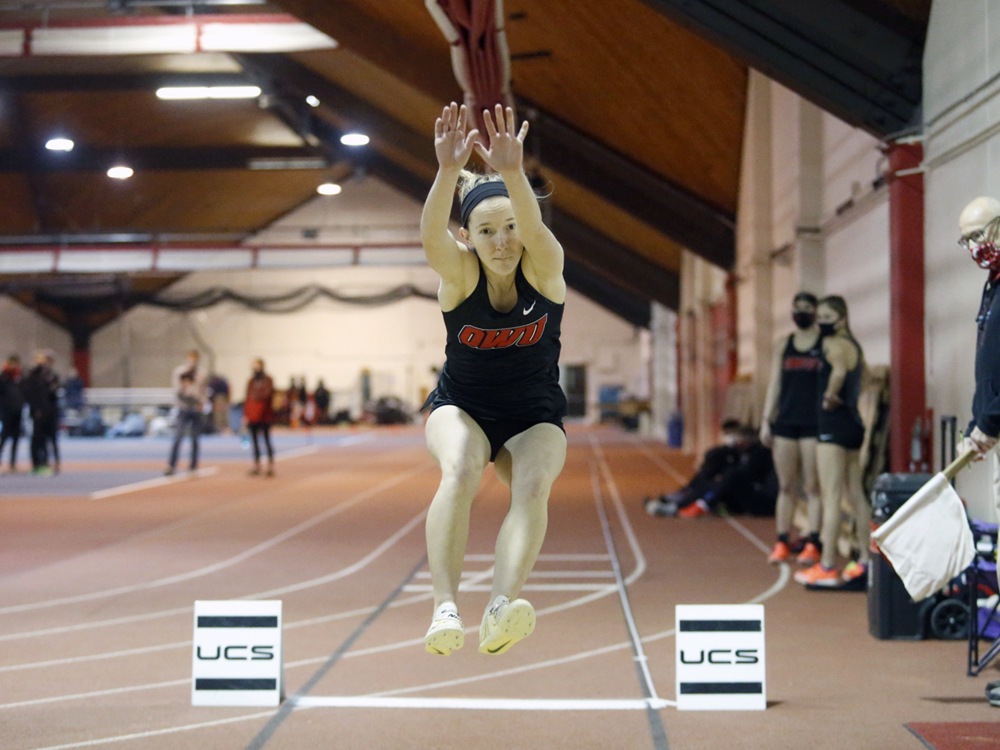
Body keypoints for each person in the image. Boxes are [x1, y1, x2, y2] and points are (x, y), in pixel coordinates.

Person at [419, 102, 568, 656]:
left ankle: (502, 606)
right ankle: (444, 607)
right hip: (463, 405)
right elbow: (432, 236)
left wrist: (511, 173)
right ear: (470, 237)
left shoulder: (543, 268)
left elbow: (531, 225)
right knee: (459, 470)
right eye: (487, 231)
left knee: (533, 483)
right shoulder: (459, 276)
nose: (502, 241)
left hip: (533, 411)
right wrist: (443, 171)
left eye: (509, 229)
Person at [955, 197, 1000, 707]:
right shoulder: (993, 283)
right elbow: (989, 368)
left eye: (979, 234)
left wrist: (989, 422)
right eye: (965, 241)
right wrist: (977, 422)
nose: (974, 247)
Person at [794, 295, 870, 588]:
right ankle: (864, 560)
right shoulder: (855, 347)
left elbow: (838, 372)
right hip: (853, 424)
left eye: (827, 316)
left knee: (831, 497)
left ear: (841, 319)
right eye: (820, 316)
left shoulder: (833, 345)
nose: (821, 321)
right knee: (856, 494)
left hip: (832, 427)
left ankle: (826, 565)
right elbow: (862, 381)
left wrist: (829, 396)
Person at [759, 292, 824, 565]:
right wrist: (766, 419)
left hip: (813, 423)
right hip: (785, 421)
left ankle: (812, 541)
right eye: (796, 308)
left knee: (812, 486)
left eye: (806, 308)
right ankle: (782, 540)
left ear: (815, 312)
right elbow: (775, 383)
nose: (801, 312)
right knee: (786, 486)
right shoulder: (784, 345)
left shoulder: (825, 344)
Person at [165, 350, 208, 476]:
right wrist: (184, 386)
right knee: (178, 437)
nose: (192, 361)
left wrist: (202, 403)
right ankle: (171, 465)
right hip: (183, 408)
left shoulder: (202, 373)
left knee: (195, 439)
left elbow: (204, 391)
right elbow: (175, 389)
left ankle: (193, 466)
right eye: (190, 358)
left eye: (195, 358)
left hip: (196, 408)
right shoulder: (179, 372)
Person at [22, 350, 60, 476]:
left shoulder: (50, 376)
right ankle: (36, 464)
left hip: (49, 413)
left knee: (47, 439)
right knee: (36, 439)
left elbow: (53, 394)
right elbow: (29, 394)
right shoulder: (32, 375)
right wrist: (35, 409)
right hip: (36, 413)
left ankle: (46, 463)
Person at [243, 357, 276, 477]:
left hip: (265, 415)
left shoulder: (268, 380)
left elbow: (267, 395)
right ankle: (257, 465)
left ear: (262, 366)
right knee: (254, 441)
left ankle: (270, 466)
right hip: (253, 416)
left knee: (267, 440)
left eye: (257, 365)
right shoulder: (251, 381)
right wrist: (246, 414)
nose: (255, 368)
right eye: (253, 366)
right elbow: (247, 397)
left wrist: (256, 400)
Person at [0, 354, 25, 473]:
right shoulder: (3, 376)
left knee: (16, 438)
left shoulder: (20, 378)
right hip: (6, 411)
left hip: (18, 411)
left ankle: (13, 463)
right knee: (4, 437)